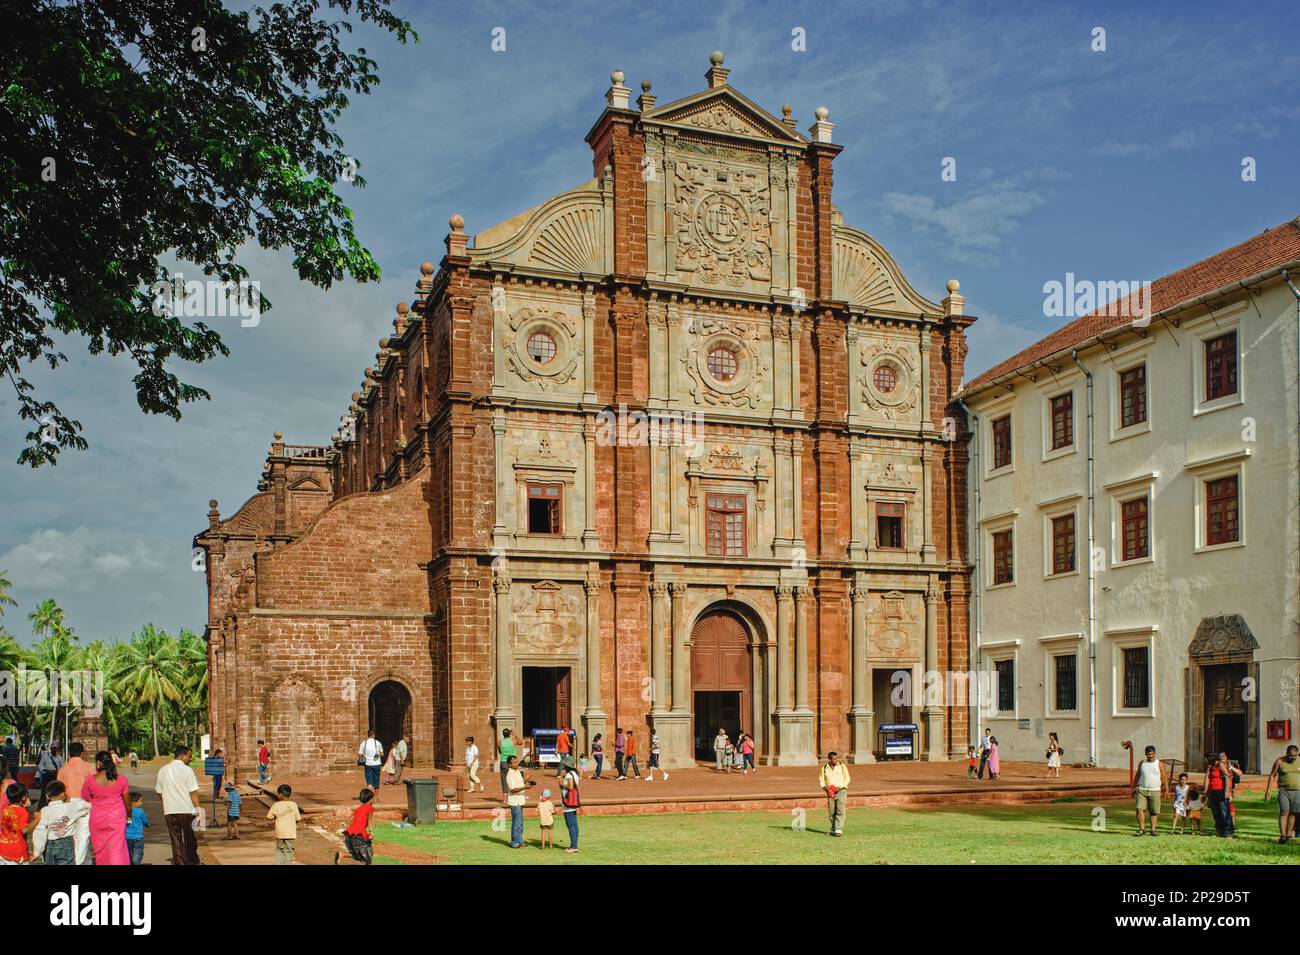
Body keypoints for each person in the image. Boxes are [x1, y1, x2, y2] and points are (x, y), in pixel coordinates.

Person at [81, 750, 130, 865]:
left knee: (100, 849)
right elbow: (127, 802)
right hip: (117, 818)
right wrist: (129, 816)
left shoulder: (90, 780)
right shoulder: (121, 780)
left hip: (97, 818)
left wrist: (98, 801)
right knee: (117, 848)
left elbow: (85, 797)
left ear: (98, 763)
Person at [156, 744, 201, 865]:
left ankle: (179, 860)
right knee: (189, 837)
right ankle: (191, 860)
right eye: (189, 756)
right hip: (186, 809)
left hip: (170, 810)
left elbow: (159, 792)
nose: (190, 759)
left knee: (175, 837)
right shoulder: (187, 770)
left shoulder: (163, 770)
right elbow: (193, 793)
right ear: (182, 756)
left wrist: (168, 801)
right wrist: (198, 809)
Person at [32, 780, 86, 865]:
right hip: (67, 843)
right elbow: (85, 805)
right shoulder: (71, 807)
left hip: (49, 844)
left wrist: (37, 852)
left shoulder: (44, 811)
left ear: (47, 796)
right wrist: (71, 799)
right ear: (62, 794)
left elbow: (40, 831)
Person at [1264, 744, 1300, 844]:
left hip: (1297, 791)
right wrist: (1268, 791)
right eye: (1290, 755)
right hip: (1283, 791)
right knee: (1284, 812)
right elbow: (1272, 776)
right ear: (1286, 753)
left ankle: (1288, 835)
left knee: (1293, 813)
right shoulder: (1280, 761)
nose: (1292, 757)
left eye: (1294, 755)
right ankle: (1283, 836)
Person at [1203, 751, 1242, 838]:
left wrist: (1227, 791)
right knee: (1216, 812)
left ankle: (1228, 832)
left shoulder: (1220, 765)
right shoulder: (1210, 767)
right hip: (1213, 792)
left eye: (1206, 758)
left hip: (1221, 790)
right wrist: (1206, 789)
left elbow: (1227, 776)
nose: (1205, 760)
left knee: (1224, 811)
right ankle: (1219, 830)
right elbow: (1207, 778)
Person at [1132, 745, 1166, 837]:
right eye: (1148, 754)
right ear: (1145, 754)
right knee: (1139, 808)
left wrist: (1167, 790)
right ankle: (1142, 829)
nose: (1150, 756)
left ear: (1154, 753)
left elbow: (1164, 777)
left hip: (1155, 790)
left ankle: (1153, 830)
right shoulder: (1142, 763)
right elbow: (1137, 775)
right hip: (1142, 789)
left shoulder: (1159, 764)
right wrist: (1133, 786)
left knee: (1153, 811)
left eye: (1152, 754)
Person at [337, 789, 375, 865]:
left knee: (359, 853)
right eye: (373, 798)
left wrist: (348, 831)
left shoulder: (359, 808)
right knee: (368, 855)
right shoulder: (370, 808)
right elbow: (370, 821)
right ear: (370, 799)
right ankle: (343, 855)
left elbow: (349, 821)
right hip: (360, 835)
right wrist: (371, 832)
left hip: (350, 834)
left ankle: (342, 855)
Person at [504, 755, 534, 849]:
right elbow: (513, 789)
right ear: (509, 764)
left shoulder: (517, 771)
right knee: (516, 822)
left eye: (517, 762)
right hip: (515, 801)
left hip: (520, 800)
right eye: (515, 762)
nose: (517, 764)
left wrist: (526, 780)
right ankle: (515, 842)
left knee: (520, 823)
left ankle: (520, 841)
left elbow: (519, 784)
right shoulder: (510, 774)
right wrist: (525, 787)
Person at [819, 751, 850, 837]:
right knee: (831, 812)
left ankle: (838, 829)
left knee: (840, 810)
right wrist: (826, 789)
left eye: (837, 758)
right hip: (831, 792)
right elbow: (822, 780)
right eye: (834, 759)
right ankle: (834, 828)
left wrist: (840, 787)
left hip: (841, 790)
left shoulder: (842, 766)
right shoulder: (825, 768)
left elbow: (847, 778)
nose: (836, 760)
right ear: (830, 759)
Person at [268, 784, 301, 864]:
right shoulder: (294, 805)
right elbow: (298, 818)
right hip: (290, 832)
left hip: (280, 832)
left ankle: (279, 863)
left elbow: (269, 816)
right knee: (289, 850)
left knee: (279, 849)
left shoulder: (276, 805)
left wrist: (277, 816)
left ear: (280, 794)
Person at [0, 784, 33, 864]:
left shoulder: (4, 807)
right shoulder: (23, 812)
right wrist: (37, 820)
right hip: (17, 853)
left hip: (3, 849)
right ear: (24, 798)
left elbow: (14, 814)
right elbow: (24, 831)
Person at [57, 742, 94, 807]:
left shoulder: (62, 769)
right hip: (85, 804)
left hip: (68, 804)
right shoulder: (89, 767)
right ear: (82, 753)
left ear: (69, 753)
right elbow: (94, 786)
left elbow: (59, 790)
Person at [559, 759, 580, 853]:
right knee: (574, 824)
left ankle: (574, 846)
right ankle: (574, 844)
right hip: (573, 801)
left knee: (570, 824)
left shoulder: (568, 775)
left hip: (568, 802)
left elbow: (570, 787)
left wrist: (562, 782)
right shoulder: (575, 774)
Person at [124, 791, 148, 864]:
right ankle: (135, 863)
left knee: (128, 852)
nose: (141, 803)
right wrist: (147, 824)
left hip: (127, 837)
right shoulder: (140, 811)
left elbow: (126, 822)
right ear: (134, 802)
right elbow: (145, 821)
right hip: (138, 837)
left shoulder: (125, 810)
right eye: (140, 801)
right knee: (138, 852)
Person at [208, 748, 225, 823]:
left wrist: (228, 763)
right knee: (216, 785)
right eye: (220, 753)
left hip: (220, 773)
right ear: (217, 753)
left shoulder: (221, 759)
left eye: (221, 753)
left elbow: (224, 766)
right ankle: (215, 796)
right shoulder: (215, 759)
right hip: (216, 773)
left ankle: (217, 795)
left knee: (219, 785)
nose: (221, 754)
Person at [498, 729, 516, 797]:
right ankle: (512, 795)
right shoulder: (513, 741)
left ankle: (505, 799)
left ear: (503, 734)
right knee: (513, 779)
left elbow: (500, 752)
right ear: (509, 734)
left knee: (504, 780)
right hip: (512, 762)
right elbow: (520, 742)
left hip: (503, 762)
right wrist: (514, 734)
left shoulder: (499, 742)